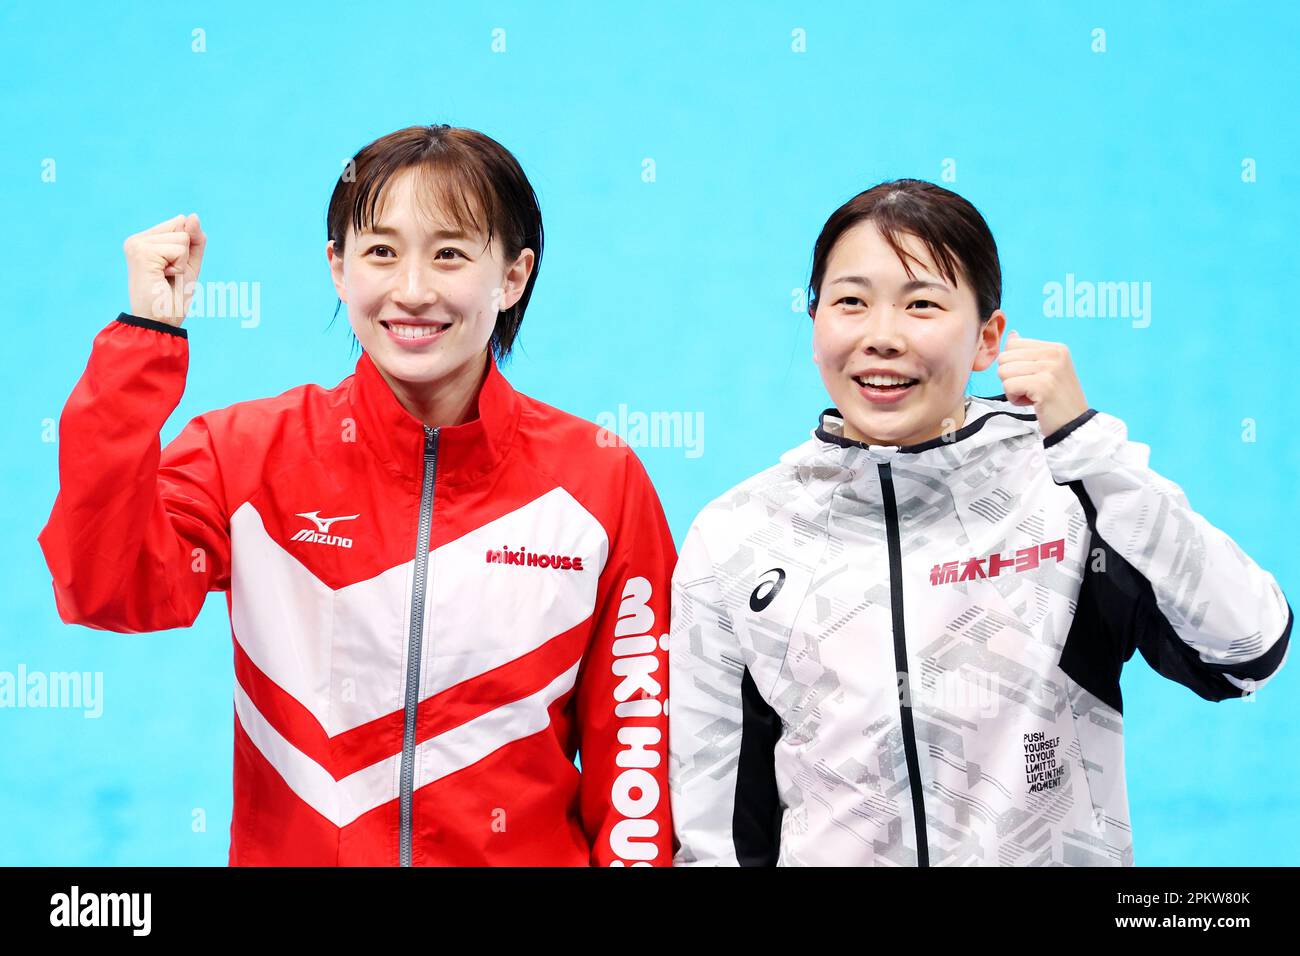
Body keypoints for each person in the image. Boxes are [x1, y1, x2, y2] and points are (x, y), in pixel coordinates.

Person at [37, 124, 674, 867]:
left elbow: (638, 753)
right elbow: (107, 589)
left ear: (513, 275)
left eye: (450, 253)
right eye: (380, 251)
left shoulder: (596, 479)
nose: (412, 290)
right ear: (337, 268)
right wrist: (146, 336)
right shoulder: (245, 455)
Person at [667, 178, 1292, 867]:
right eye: (851, 302)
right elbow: (717, 831)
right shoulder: (738, 535)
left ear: (988, 338)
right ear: (815, 322)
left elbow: (1246, 648)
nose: (882, 337)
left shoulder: (1069, 491)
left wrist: (1088, 448)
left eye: (922, 305)